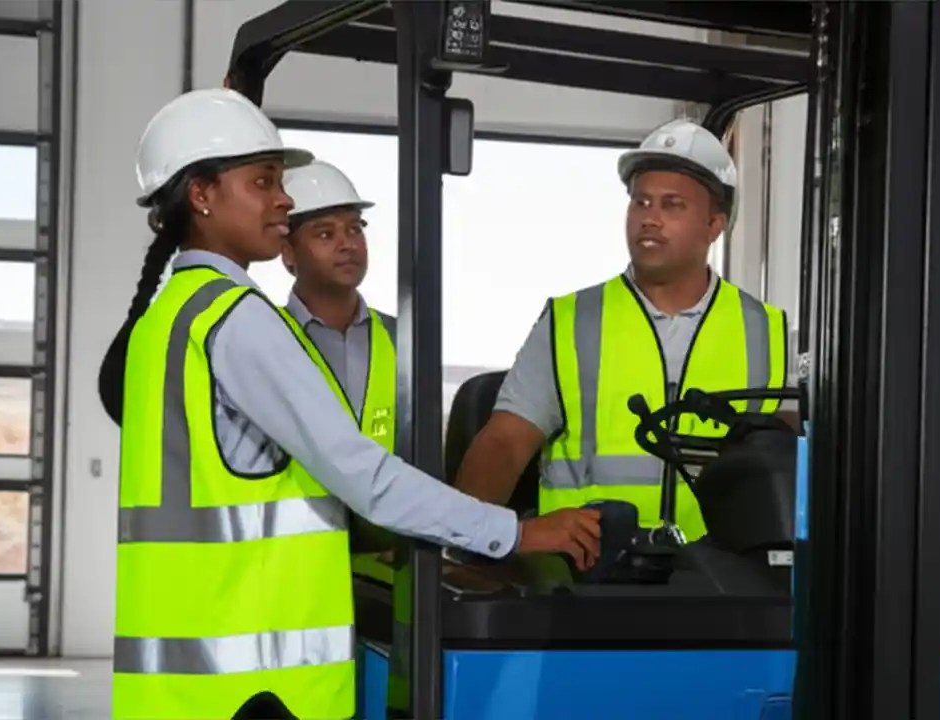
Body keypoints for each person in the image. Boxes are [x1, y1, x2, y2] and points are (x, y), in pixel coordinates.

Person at [96, 87, 601, 720]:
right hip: (257, 688)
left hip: (180, 686)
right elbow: (364, 475)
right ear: (201, 195)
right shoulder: (238, 320)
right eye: (263, 182)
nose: (282, 199)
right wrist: (516, 531)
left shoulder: (167, 317)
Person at [453, 118, 792, 543]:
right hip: (588, 578)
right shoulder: (572, 320)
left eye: (672, 205)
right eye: (640, 203)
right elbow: (505, 442)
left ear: (714, 225)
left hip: (725, 582)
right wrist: (466, 547)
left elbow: (787, 463)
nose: (649, 219)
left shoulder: (766, 330)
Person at [275, 159, 400, 582]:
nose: (348, 244)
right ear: (288, 253)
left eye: (355, 228)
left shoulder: (404, 339)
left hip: (387, 566)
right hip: (292, 564)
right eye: (325, 233)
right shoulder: (264, 338)